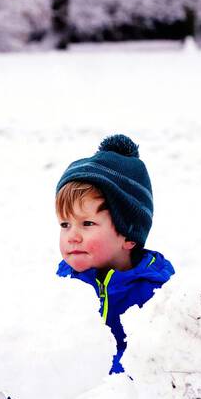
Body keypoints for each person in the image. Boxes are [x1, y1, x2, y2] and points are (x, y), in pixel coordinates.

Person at [54, 135, 175, 375]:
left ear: (128, 235)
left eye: (87, 223)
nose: (72, 236)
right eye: (65, 225)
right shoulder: (64, 282)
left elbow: (154, 360)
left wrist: (97, 375)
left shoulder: (155, 293)